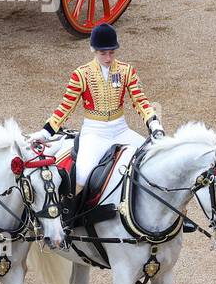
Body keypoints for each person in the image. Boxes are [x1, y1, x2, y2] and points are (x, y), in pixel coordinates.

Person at [37, 23, 164, 193]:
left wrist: (154, 125)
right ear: (93, 50)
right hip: (95, 132)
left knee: (155, 159)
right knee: (82, 175)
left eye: (111, 52)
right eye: (103, 53)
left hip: (121, 129)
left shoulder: (126, 71)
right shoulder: (81, 74)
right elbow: (66, 107)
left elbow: (140, 101)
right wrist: (45, 133)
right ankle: (72, 218)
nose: (108, 58)